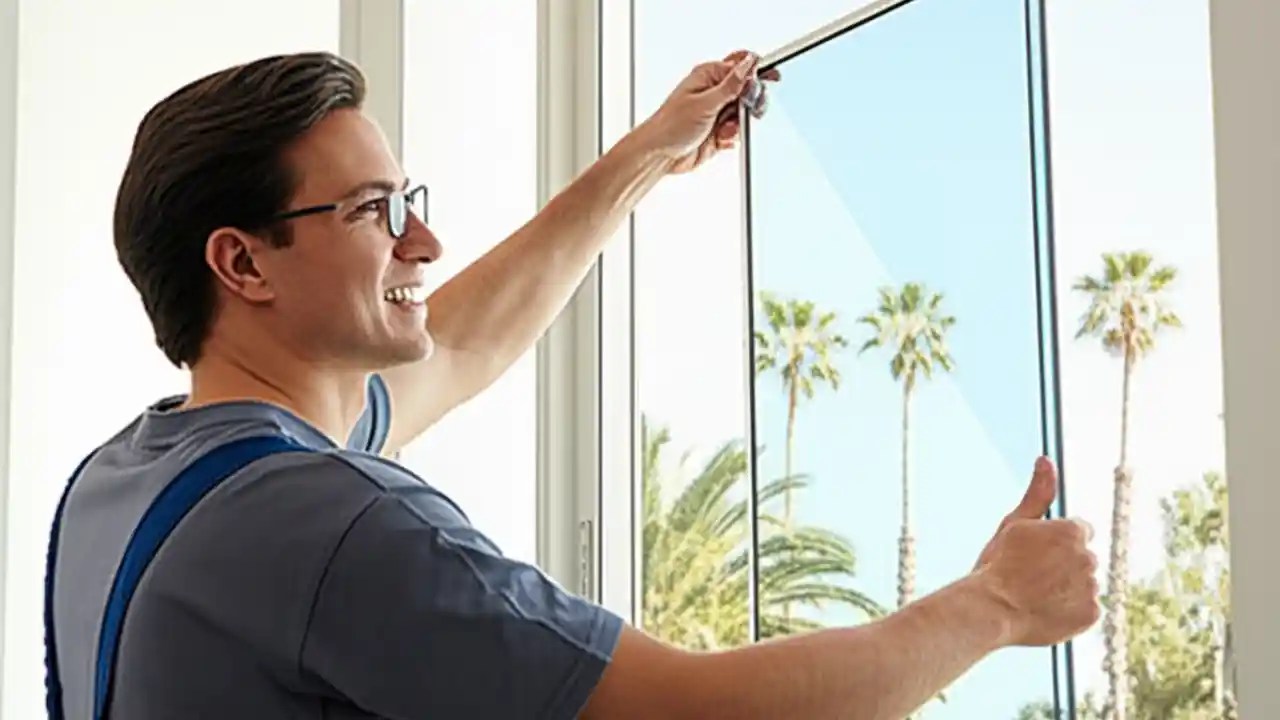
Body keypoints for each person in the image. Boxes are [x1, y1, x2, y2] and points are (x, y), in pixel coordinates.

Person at [44, 49, 1099, 719]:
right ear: (242, 264)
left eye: (411, 197)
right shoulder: (335, 526)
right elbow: (702, 717)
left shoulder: (134, 477)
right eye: (373, 212)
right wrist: (997, 604)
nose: (425, 240)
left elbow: (458, 343)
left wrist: (644, 160)